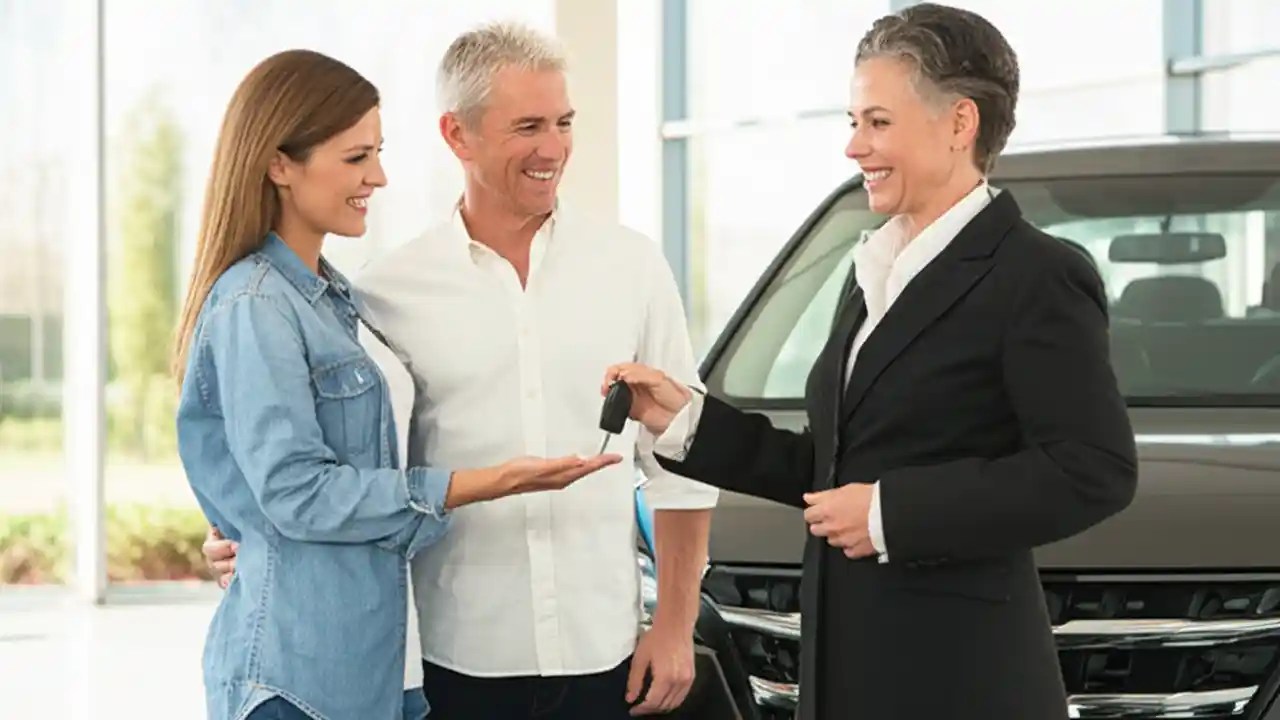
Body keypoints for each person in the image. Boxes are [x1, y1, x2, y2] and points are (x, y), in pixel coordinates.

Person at [604, 4, 1138, 719]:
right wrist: (688, 423)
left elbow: (1092, 469)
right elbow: (835, 472)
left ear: (959, 124)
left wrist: (892, 514)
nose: (855, 147)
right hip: (846, 676)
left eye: (877, 122)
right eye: (853, 122)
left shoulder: (1033, 275)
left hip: (959, 682)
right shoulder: (875, 270)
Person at [204, 22, 719, 719]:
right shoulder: (385, 292)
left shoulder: (633, 268)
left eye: (564, 122)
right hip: (450, 661)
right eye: (528, 125)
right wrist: (247, 533)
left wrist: (675, 625)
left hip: (606, 656)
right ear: (458, 135)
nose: (553, 147)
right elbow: (328, 451)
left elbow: (679, 462)